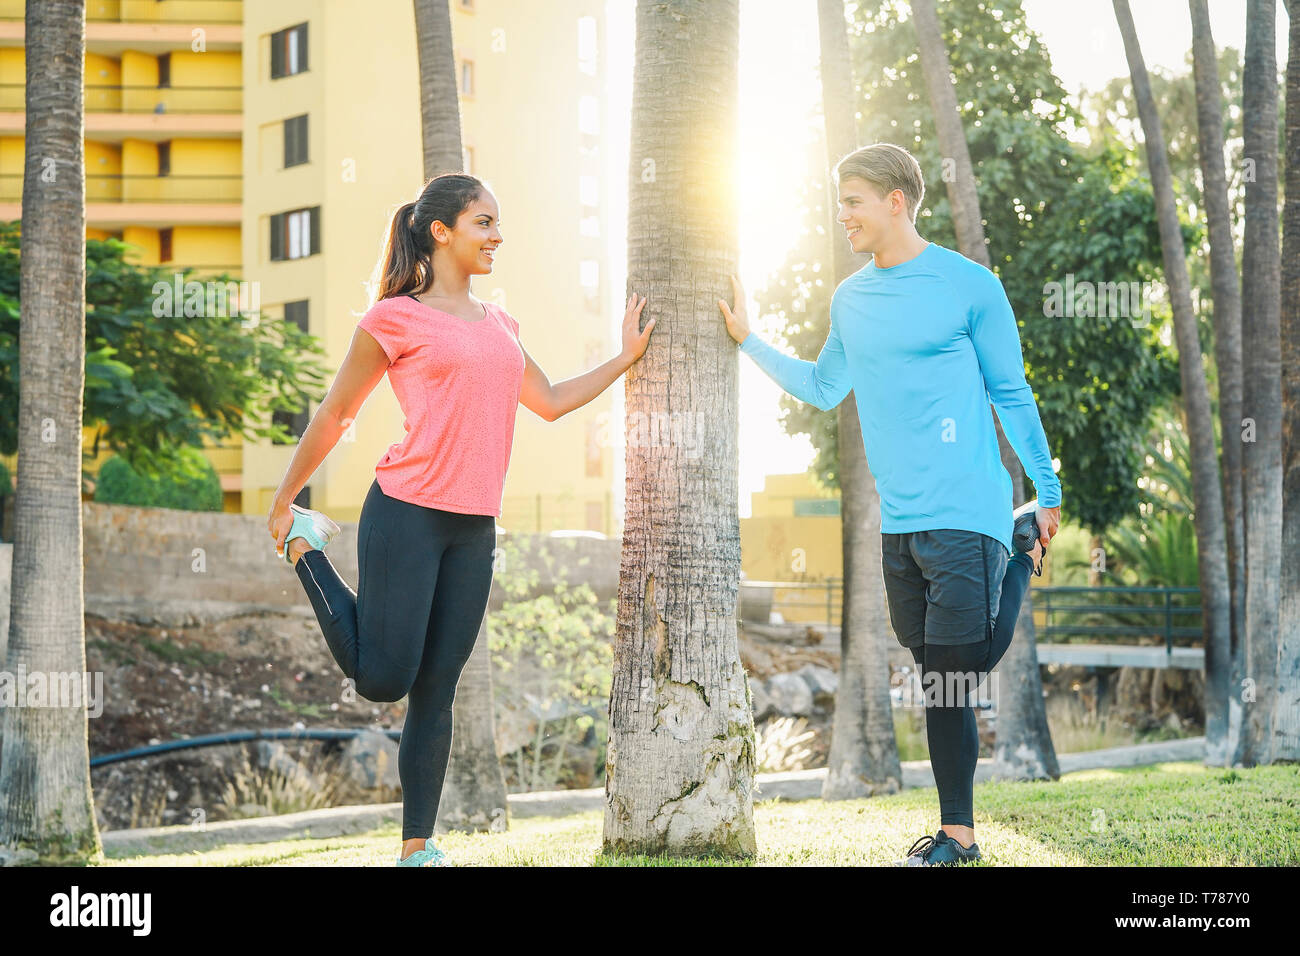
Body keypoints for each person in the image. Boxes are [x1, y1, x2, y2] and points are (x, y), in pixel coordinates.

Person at [266, 172, 654, 866]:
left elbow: (553, 400)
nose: (497, 236)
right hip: (407, 511)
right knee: (384, 679)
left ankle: (418, 847)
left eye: (498, 224)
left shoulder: (501, 325)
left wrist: (624, 359)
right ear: (439, 230)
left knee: (437, 689)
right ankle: (305, 548)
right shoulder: (393, 318)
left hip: (474, 527)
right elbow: (336, 412)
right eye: (484, 222)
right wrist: (286, 495)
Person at [719, 143, 1062, 866]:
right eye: (839, 202)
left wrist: (1049, 490)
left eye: (852, 201)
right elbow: (822, 386)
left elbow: (1012, 393)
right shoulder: (851, 299)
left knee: (949, 679)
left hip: (968, 509)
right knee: (936, 664)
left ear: (895, 200)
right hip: (899, 523)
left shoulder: (970, 286)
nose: (842, 215)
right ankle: (1023, 554)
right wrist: (748, 339)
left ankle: (957, 837)